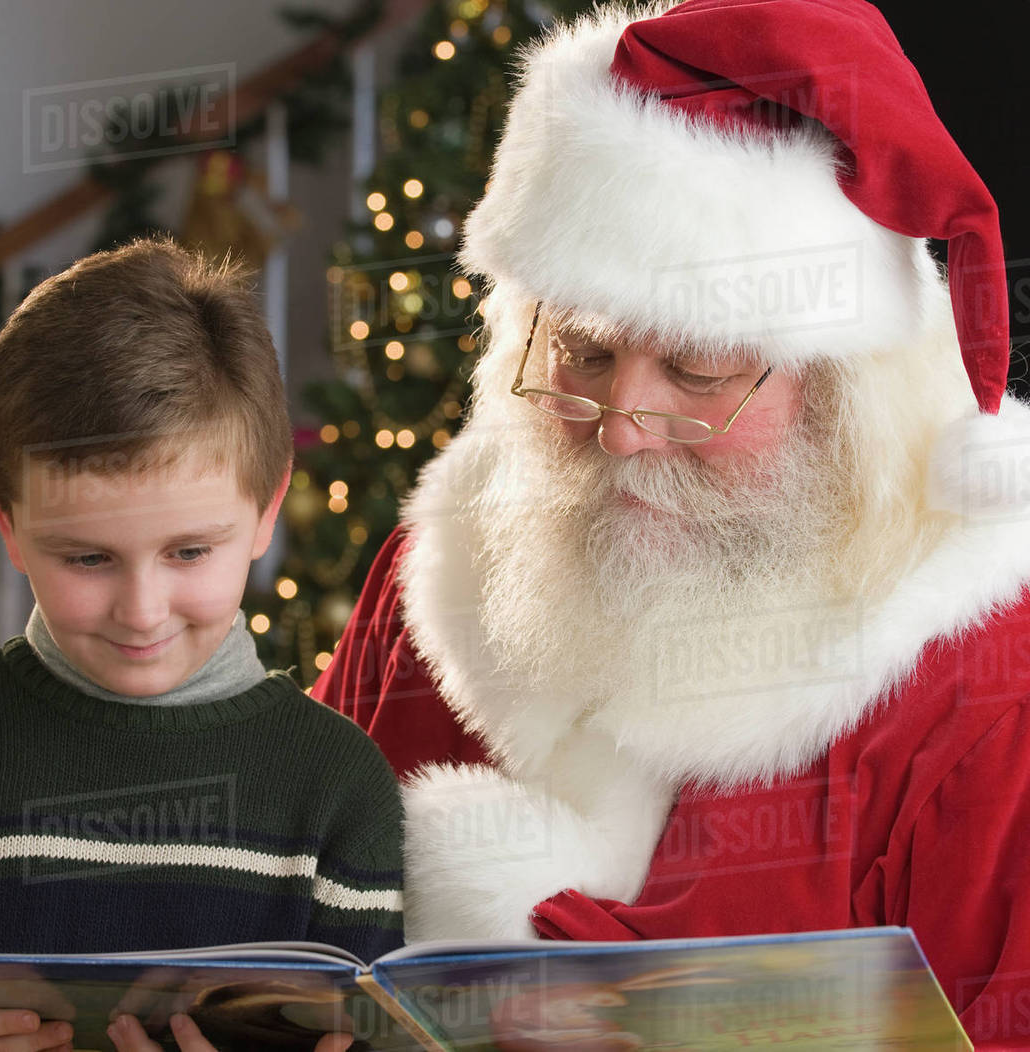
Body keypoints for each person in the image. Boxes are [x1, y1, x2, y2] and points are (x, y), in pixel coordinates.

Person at [312, 0, 1030, 1045]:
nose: (621, 430)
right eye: (584, 353)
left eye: (698, 372)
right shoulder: (440, 574)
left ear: (847, 399)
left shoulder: (980, 685)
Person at [0, 238, 402, 1052]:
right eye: (88, 559)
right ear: (8, 524)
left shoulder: (339, 786)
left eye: (190, 552)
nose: (141, 612)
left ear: (267, 510)